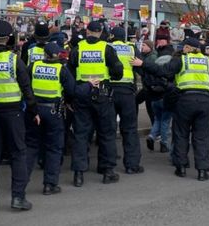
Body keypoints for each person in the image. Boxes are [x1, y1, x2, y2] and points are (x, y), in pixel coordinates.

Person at [133, 37, 209, 181]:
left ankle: (181, 168)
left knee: (181, 134)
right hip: (204, 101)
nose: (181, 49)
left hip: (185, 100)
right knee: (201, 136)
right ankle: (201, 170)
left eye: (183, 47)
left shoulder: (182, 60)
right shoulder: (207, 60)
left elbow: (162, 71)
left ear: (188, 48)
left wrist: (143, 64)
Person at [0, 20, 37, 212]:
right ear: (9, 38)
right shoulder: (14, 60)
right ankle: (18, 198)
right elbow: (26, 88)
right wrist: (33, 111)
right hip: (13, 114)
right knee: (18, 154)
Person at [68, 20, 123, 187]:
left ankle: (78, 174)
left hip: (82, 94)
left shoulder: (77, 49)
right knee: (106, 133)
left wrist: (70, 98)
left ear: (87, 32)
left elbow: (69, 74)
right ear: (100, 32)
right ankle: (107, 171)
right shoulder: (107, 48)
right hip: (102, 95)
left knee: (81, 134)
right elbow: (118, 72)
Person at [25, 42, 75, 195]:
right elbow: (71, 90)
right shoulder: (62, 69)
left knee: (31, 147)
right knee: (54, 148)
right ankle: (50, 185)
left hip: (35, 111)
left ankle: (21, 183)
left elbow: (25, 85)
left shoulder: (33, 66)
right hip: (54, 112)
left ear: (44, 54)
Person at [108, 26, 144, 174]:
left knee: (108, 130)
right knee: (129, 129)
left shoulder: (107, 47)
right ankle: (132, 165)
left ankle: (108, 166)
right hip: (127, 92)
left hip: (109, 91)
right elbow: (140, 67)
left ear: (112, 36)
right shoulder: (131, 48)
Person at [141, 40, 170, 153]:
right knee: (165, 121)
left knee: (158, 119)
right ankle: (163, 143)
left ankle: (152, 136)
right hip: (164, 96)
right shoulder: (169, 65)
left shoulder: (154, 62)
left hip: (153, 95)